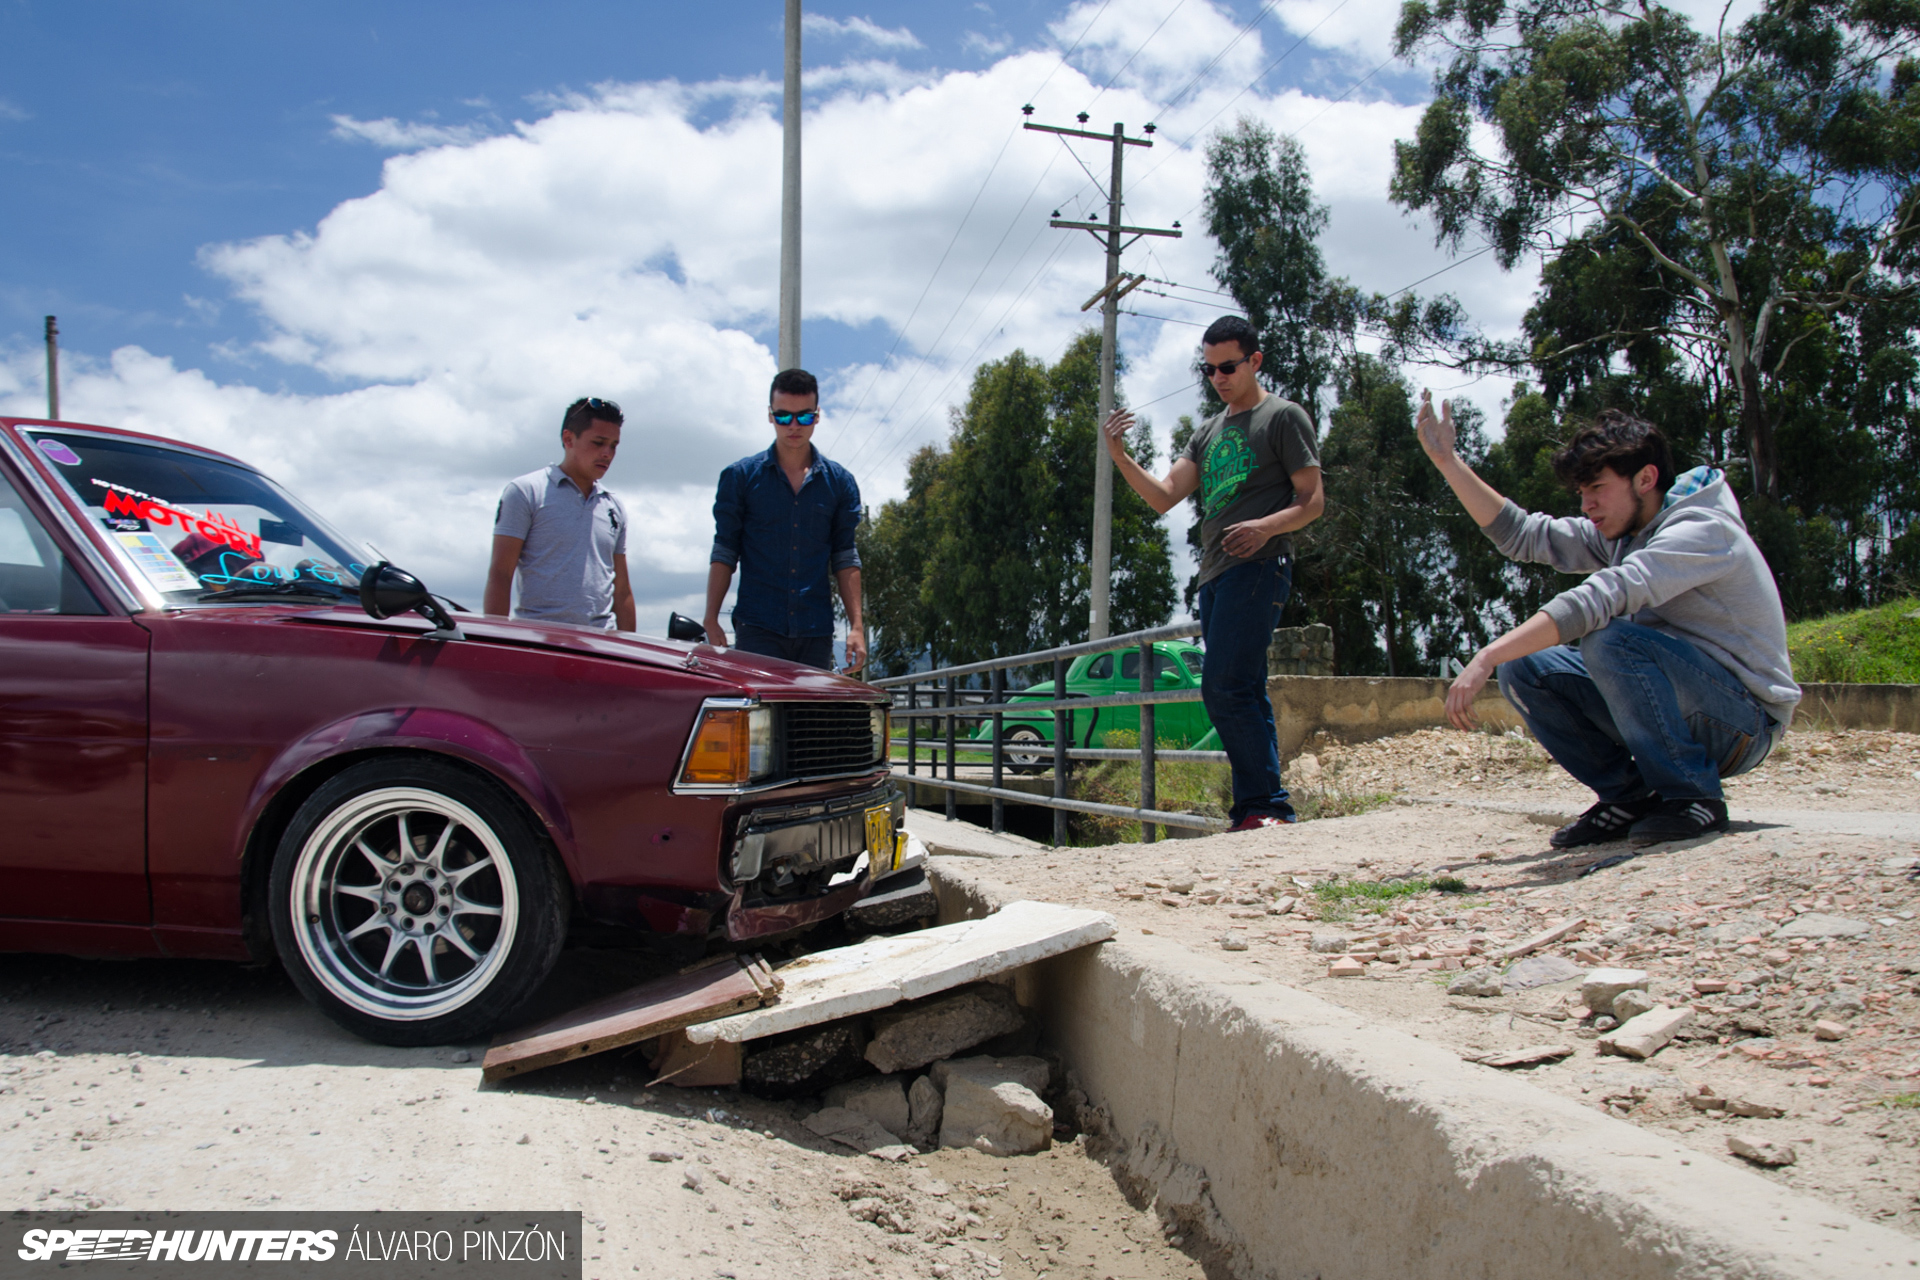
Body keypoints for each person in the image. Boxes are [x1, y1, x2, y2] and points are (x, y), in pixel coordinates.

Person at [1415, 394, 1800, 848]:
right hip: (1685, 708)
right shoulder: (1623, 534)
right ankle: (1628, 798)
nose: (1586, 505)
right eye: (1581, 492)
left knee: (1609, 639)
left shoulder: (1702, 531)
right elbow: (1523, 534)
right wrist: (1447, 461)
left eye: (1597, 488)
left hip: (1745, 725)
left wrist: (1487, 656)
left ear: (1645, 478)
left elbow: (1602, 597)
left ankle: (1694, 797)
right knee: (1526, 665)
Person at [1101, 315, 1324, 831]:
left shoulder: (1284, 417)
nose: (1218, 377)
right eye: (1208, 369)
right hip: (1215, 574)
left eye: (1228, 367)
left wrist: (1265, 527)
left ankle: (1265, 806)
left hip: (1261, 564)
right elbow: (1163, 497)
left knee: (1224, 683)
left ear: (1255, 361)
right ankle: (1260, 808)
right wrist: (1120, 456)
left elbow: (1312, 502)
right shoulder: (1207, 433)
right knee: (1241, 686)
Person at [704, 368, 866, 671]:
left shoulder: (840, 483)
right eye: (783, 416)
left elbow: (845, 557)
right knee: (759, 705)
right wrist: (711, 616)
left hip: (815, 630)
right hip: (758, 627)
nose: (793, 426)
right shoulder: (740, 477)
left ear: (817, 416)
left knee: (810, 706)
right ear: (770, 415)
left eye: (803, 417)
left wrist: (857, 626)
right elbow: (725, 549)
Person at [484, 397, 635, 631]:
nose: (607, 453)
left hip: (602, 642)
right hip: (540, 639)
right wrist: (496, 639)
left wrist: (628, 648)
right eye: (598, 442)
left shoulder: (613, 506)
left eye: (614, 445)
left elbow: (622, 590)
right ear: (568, 439)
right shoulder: (526, 491)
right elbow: (501, 575)